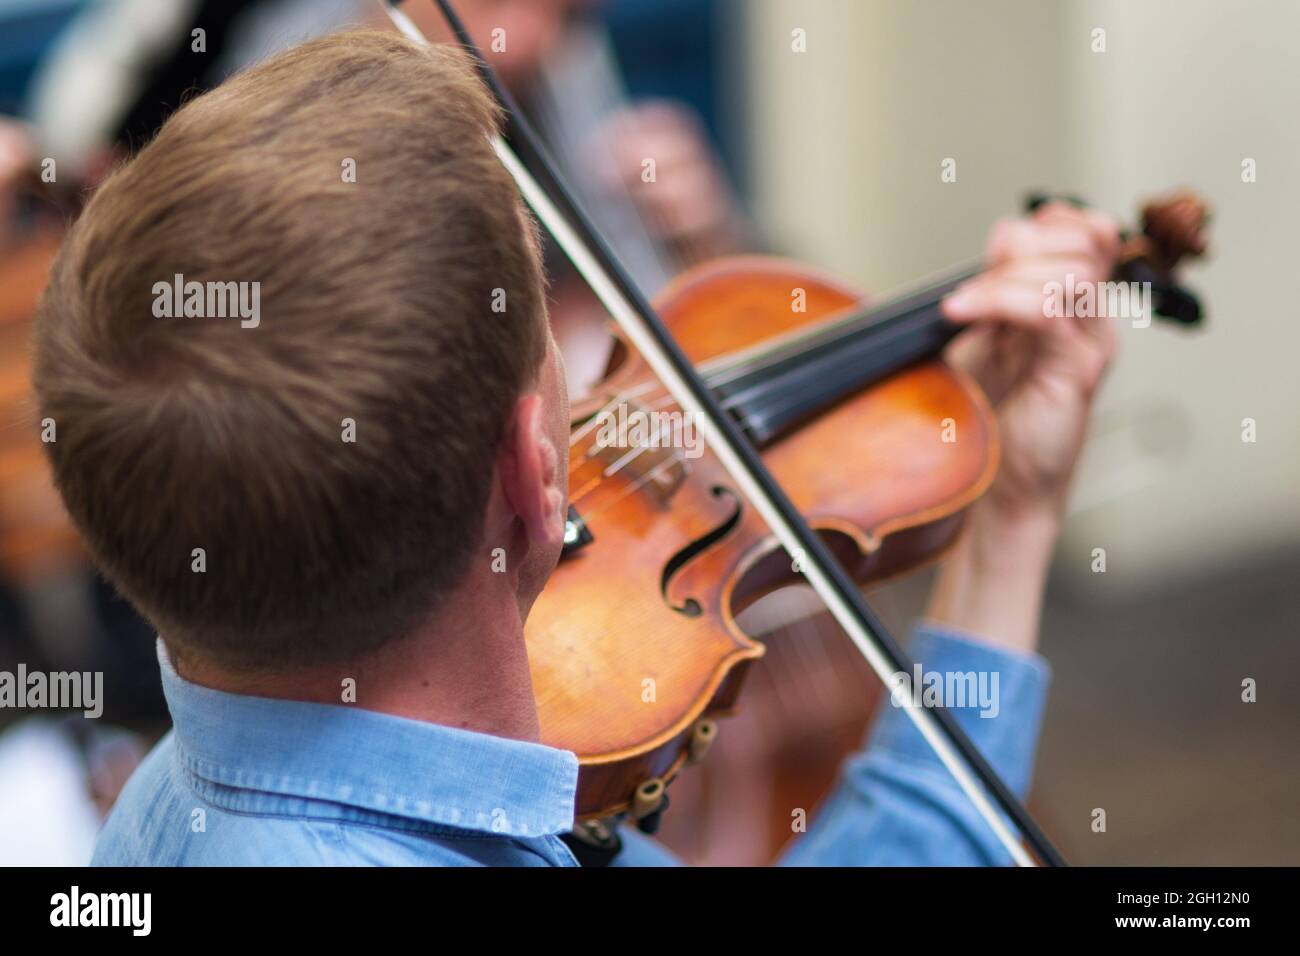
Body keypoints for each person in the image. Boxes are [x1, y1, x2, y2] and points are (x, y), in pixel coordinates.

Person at [33, 31, 1119, 866]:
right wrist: (1012, 533)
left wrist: (1009, 509)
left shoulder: (163, 804)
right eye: (569, 369)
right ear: (528, 468)